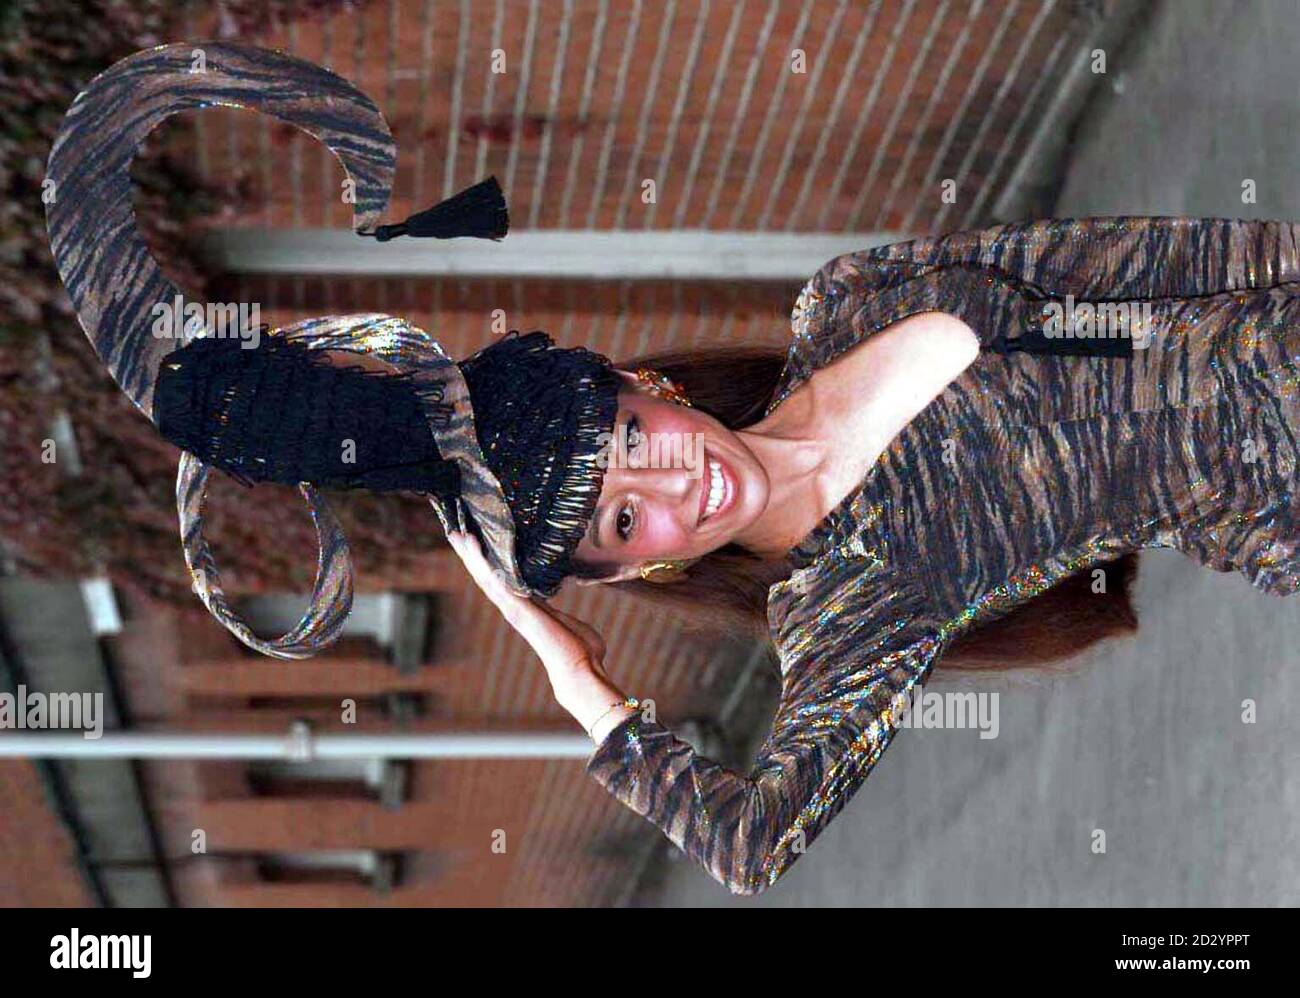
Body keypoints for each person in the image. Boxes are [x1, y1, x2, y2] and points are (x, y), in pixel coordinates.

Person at [49, 43, 1300, 897]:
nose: (673, 488)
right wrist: (575, 680)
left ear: (656, 390)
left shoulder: (850, 299)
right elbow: (755, 844)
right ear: (652, 562)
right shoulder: (846, 603)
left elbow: (1132, 260)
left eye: (633, 446)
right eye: (626, 520)